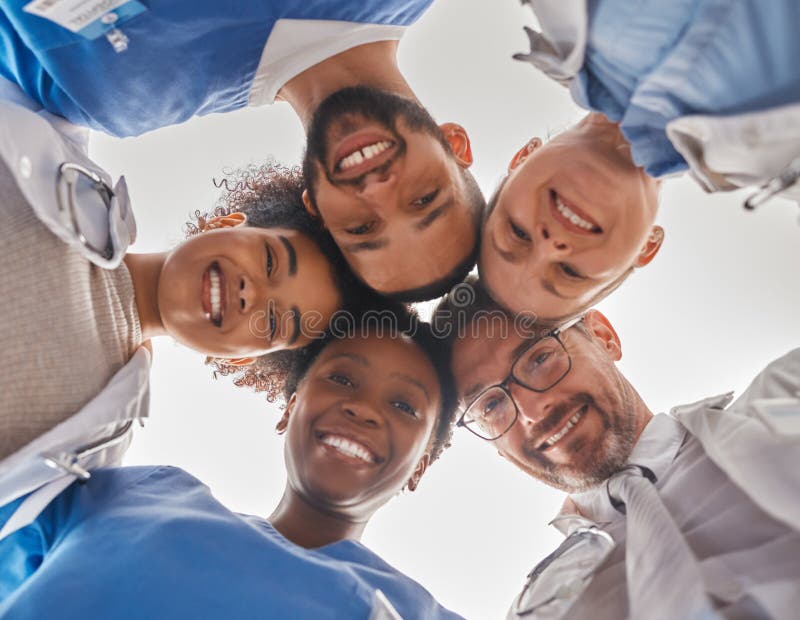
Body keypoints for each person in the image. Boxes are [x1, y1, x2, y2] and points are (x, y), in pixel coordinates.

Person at [0, 75, 372, 542]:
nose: (250, 293)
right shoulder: (53, 127)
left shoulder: (89, 454)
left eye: (275, 321)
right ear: (225, 223)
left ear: (240, 357)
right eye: (270, 259)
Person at [0, 0, 485, 300]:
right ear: (455, 144)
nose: (377, 191)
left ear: (316, 210)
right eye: (424, 200)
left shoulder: (113, 95)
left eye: (361, 227)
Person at [0, 311, 463, 620]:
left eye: (404, 405)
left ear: (420, 466)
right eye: (341, 378)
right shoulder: (134, 493)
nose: (364, 409)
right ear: (291, 406)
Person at [435, 281, 800, 619]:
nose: (531, 412)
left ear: (602, 335)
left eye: (539, 358)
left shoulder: (790, 395)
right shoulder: (541, 611)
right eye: (491, 405)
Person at [481, 0, 800, 319]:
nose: (550, 245)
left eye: (518, 233)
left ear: (522, 156)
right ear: (647, 247)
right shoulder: (779, 162)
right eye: (569, 272)